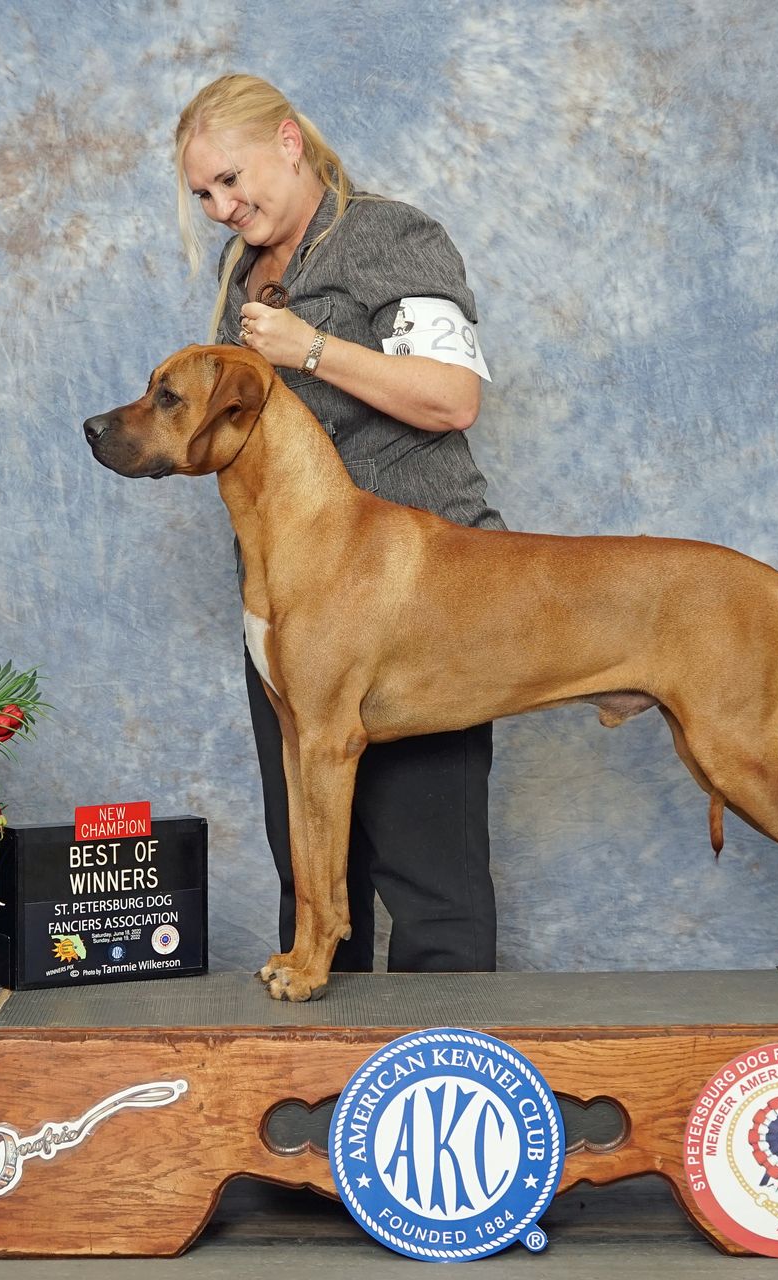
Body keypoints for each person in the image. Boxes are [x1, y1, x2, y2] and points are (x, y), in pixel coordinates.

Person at [174, 75, 506, 978]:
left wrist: (309, 348)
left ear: (290, 141)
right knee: (314, 867)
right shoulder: (242, 269)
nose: (220, 206)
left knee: (430, 878)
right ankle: (330, 1091)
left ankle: (449, 1089)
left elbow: (452, 398)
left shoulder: (390, 236)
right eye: (203, 194)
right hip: (291, 593)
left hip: (419, 596)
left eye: (231, 180)